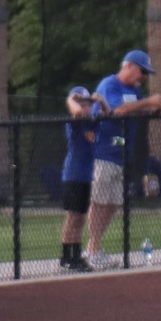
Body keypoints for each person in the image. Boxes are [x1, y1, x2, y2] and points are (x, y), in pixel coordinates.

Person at [83, 50, 161, 268]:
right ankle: (91, 251)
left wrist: (159, 107)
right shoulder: (110, 84)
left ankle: (94, 248)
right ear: (130, 66)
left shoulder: (134, 90)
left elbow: (139, 111)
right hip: (103, 152)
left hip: (121, 152)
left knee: (113, 203)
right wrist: (148, 102)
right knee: (99, 202)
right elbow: (118, 111)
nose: (143, 77)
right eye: (142, 71)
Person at [56, 85, 101, 273]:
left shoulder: (91, 123)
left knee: (81, 218)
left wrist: (101, 102)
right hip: (73, 175)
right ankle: (67, 257)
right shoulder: (74, 122)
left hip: (87, 176)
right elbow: (76, 113)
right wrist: (70, 100)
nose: (85, 107)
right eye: (81, 103)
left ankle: (76, 255)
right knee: (73, 217)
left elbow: (109, 122)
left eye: (87, 103)